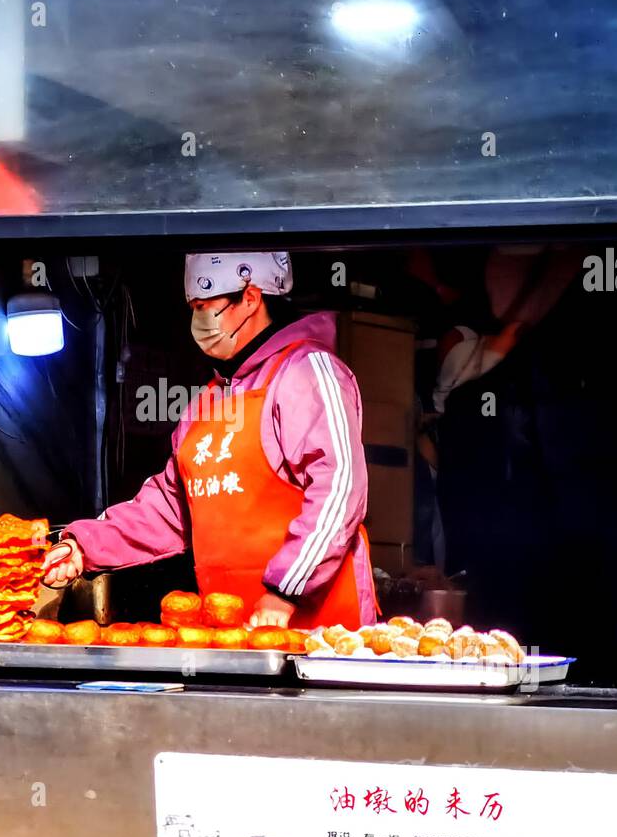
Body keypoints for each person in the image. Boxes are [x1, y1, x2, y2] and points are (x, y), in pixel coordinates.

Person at [44, 251, 375, 630]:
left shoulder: (307, 373)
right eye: (193, 308)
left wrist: (286, 592)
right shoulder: (207, 403)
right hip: (234, 637)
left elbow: (340, 489)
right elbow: (166, 509)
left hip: (320, 633)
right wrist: (82, 546)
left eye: (206, 306)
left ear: (250, 298)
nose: (198, 320)